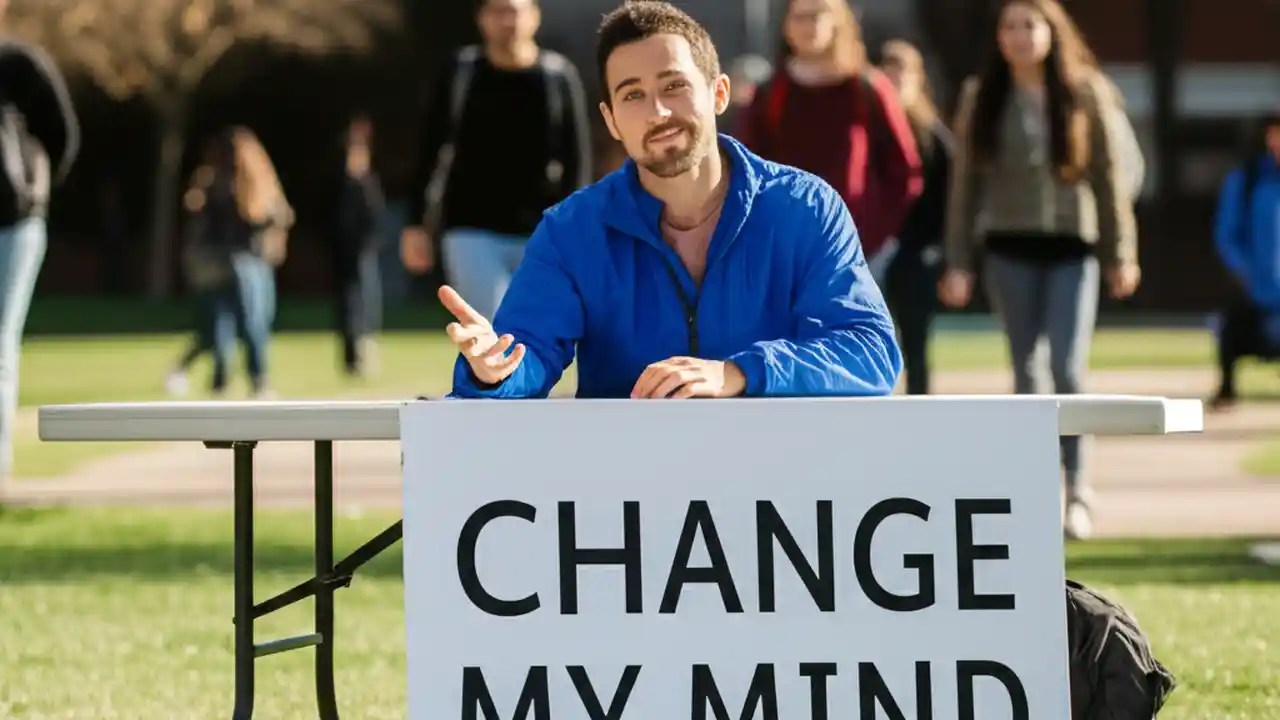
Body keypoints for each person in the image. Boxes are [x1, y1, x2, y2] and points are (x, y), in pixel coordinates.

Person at [441, 0, 901, 400]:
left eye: (674, 86)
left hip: (780, 487)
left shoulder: (807, 208)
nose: (657, 112)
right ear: (613, 120)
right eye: (633, 95)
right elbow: (527, 356)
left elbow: (869, 351)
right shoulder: (571, 231)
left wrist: (738, 373)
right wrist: (492, 372)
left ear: (718, 93)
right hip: (631, 491)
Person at [939, 0, 1141, 541]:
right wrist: (958, 259)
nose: (1020, 36)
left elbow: (1109, 178)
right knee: (1027, 370)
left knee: (1070, 369)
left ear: (1052, 32)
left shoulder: (1086, 92)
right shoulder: (981, 97)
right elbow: (965, 187)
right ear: (998, 36)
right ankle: (1036, 491)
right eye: (1009, 26)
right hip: (1008, 246)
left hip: (1072, 246)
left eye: (1030, 25)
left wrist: (1122, 252)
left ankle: (1079, 490)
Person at [401, 0, 593, 321]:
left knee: (537, 332)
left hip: (541, 231)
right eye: (499, 11)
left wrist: (577, 228)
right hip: (469, 229)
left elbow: (577, 162)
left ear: (534, 17)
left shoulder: (557, 78)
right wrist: (415, 223)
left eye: (516, 11)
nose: (508, 21)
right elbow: (430, 150)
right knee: (491, 330)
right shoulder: (461, 73)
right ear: (482, 19)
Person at [733, 0, 922, 286]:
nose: (809, 26)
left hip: (858, 245)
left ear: (838, 22)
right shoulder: (771, 93)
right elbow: (745, 168)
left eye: (818, 16)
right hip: (784, 246)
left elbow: (904, 169)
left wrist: (875, 230)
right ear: (787, 26)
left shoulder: (867, 87)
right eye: (800, 17)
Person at [0, 8, 77, 485]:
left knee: (0, 341)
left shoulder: (18, 66)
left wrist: (34, 189)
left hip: (14, 223)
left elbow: (63, 134)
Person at [166, 127, 293, 399]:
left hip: (243, 263)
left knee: (233, 326)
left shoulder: (244, 186)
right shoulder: (222, 186)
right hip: (235, 264)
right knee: (237, 325)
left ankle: (230, 380)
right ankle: (249, 380)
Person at [878, 39, 953, 395]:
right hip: (873, 247)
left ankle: (920, 410)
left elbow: (948, 199)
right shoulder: (868, 130)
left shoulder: (933, 136)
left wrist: (940, 251)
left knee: (915, 341)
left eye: (902, 75)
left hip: (916, 252)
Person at [1210, 111, 1280, 411]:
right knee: (1232, 329)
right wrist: (1244, 271)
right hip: (1257, 287)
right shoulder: (1248, 180)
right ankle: (1227, 387)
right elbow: (1227, 233)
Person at [334, 114, 385, 377]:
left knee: (366, 303)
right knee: (349, 304)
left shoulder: (366, 183)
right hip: (346, 254)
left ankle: (364, 352)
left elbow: (375, 219)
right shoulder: (343, 184)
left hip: (363, 253)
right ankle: (351, 358)